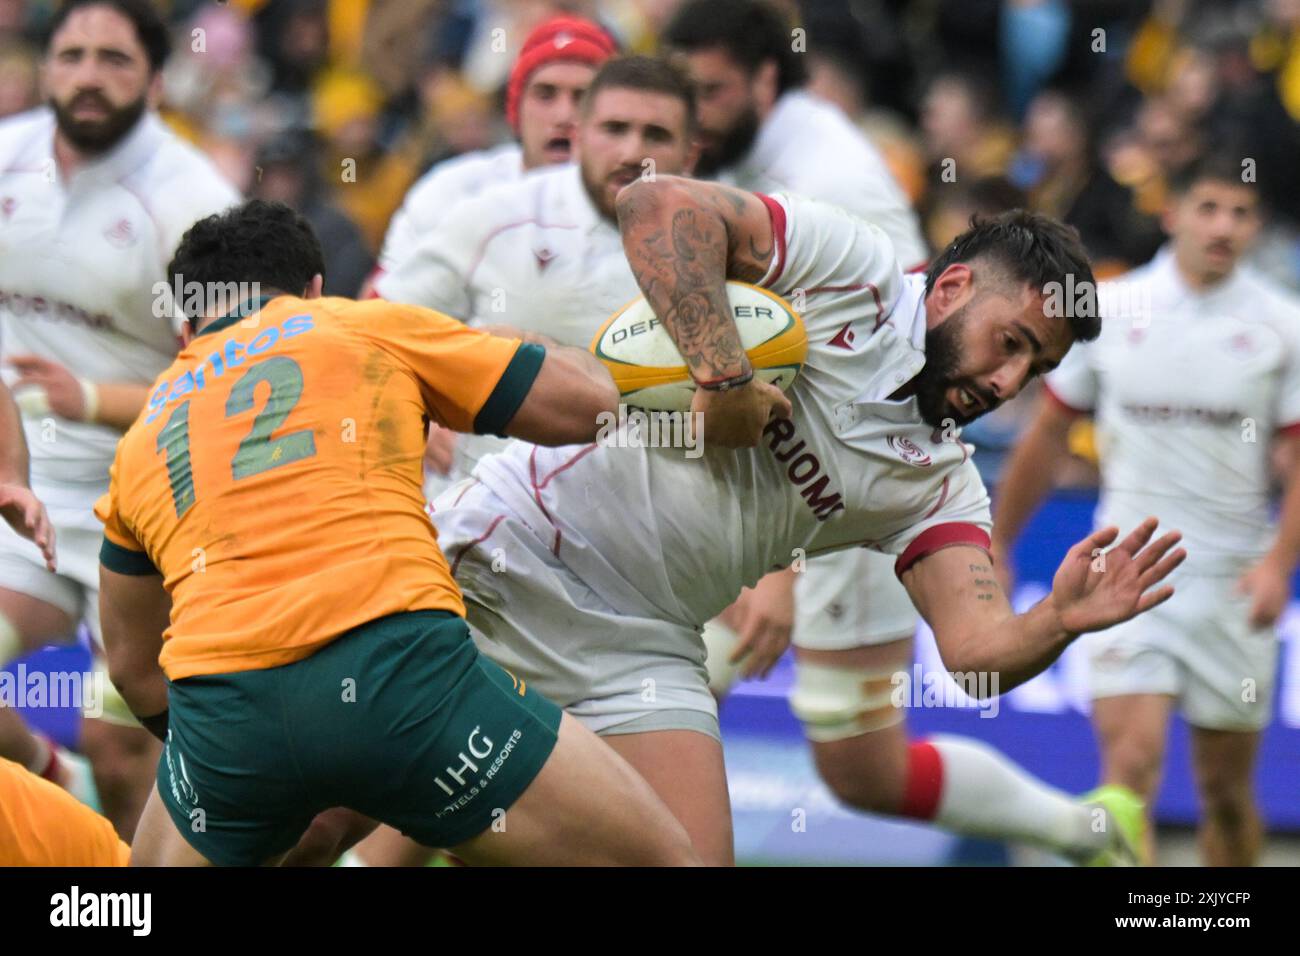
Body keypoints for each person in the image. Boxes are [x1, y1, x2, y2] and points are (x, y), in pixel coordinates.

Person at [424, 174, 1184, 865]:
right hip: (523, 544)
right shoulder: (854, 270)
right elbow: (655, 207)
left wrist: (1058, 617)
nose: (1008, 381)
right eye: (1010, 344)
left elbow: (973, 651)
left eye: (1035, 370)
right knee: (347, 815)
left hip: (645, 641)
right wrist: (725, 379)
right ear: (952, 287)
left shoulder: (941, 485)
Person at [97, 199, 697, 867]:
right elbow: (587, 410)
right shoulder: (357, 325)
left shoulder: (141, 439)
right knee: (666, 860)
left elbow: (133, 669)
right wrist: (530, 343)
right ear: (314, 289)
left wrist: (244, 751)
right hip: (397, 674)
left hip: (225, 712)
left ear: (185, 327)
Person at [665, 0, 1129, 863]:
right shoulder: (735, 155)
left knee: (850, 759)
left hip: (853, 490)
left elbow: (859, 400)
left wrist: (783, 569)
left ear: (767, 82)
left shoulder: (835, 189)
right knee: (840, 762)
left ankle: (1089, 830)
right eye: (682, 94)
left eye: (711, 93)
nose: (693, 117)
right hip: (795, 471)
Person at [353, 53, 699, 867]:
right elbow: (366, 333)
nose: (633, 149)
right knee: (381, 812)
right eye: (614, 127)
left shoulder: (726, 254)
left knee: (661, 850)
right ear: (580, 134)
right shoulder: (490, 219)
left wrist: (784, 574)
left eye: (658, 134)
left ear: (695, 150)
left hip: (644, 588)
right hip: (478, 557)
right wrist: (409, 398)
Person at [992, 155, 1299, 865]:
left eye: (1241, 213)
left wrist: (1280, 565)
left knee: (1225, 790)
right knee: (1127, 776)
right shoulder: (1115, 307)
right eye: (1209, 207)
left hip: (1231, 578)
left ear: (1257, 227)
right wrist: (1000, 544)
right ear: (1174, 213)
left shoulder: (1283, 325)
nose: (1223, 227)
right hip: (1124, 575)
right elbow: (1047, 433)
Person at [0, 0, 239, 837]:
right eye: (71, 56)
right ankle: (49, 786)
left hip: (146, 504)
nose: (88, 77)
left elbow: (240, 376)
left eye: (113, 59)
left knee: (125, 745)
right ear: (45, 65)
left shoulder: (197, 201)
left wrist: (93, 399)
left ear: (157, 78)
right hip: (15, 488)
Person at [364, 14, 618, 295]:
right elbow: (378, 305)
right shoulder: (452, 190)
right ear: (516, 109)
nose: (564, 116)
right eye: (545, 95)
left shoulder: (635, 205)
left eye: (582, 97)